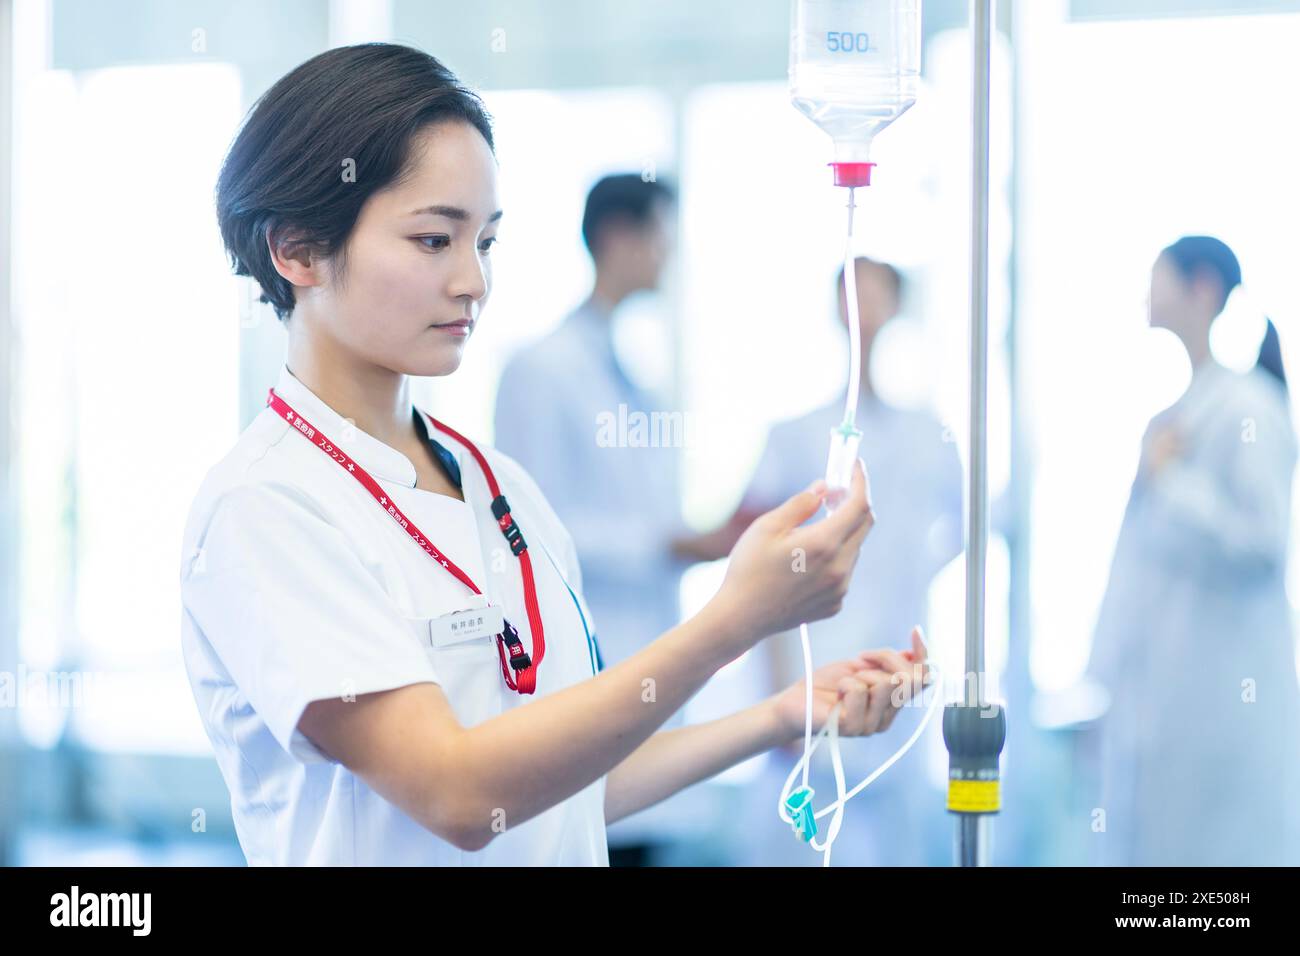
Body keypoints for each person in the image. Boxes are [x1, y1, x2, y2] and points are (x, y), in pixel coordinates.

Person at [179, 42, 928, 866]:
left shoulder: (502, 489)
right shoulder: (267, 507)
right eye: (435, 240)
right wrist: (737, 617)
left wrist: (785, 712)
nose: (473, 282)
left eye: (487, 243)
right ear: (296, 251)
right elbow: (459, 795)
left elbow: (572, 783)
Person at [687, 257, 963, 866]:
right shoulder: (793, 435)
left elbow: (960, 539)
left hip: (898, 670)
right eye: (849, 290)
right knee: (802, 842)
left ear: (897, 306)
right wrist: (779, 689)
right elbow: (756, 565)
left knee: (892, 840)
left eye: (875, 291)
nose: (861, 304)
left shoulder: (929, 437)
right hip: (810, 680)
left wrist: (908, 584)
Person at [493, 174, 724, 863]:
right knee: (598, 834)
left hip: (645, 651)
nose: (667, 256)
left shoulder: (631, 373)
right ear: (618, 239)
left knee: (639, 834)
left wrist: (690, 537)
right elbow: (529, 530)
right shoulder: (541, 368)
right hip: (588, 658)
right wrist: (670, 542)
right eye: (661, 238)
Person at [1088, 235, 1300, 866]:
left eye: (1159, 277)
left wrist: (1173, 483)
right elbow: (1135, 572)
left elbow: (1262, 542)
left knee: (1219, 869)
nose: (1147, 293)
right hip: (1162, 708)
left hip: (1221, 709)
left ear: (1201, 288)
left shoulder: (1249, 408)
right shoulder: (1174, 416)